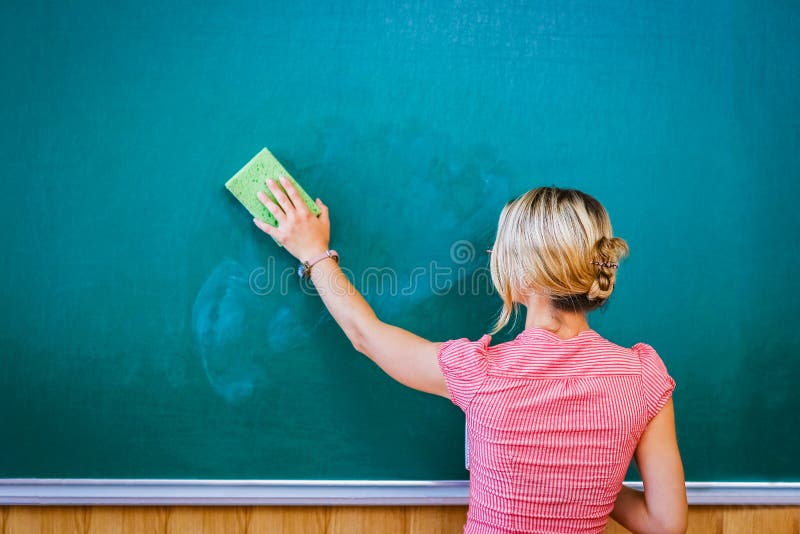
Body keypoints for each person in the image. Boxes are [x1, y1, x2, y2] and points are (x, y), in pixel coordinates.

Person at [253, 178, 688, 534]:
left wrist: (313, 252)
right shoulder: (643, 377)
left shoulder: (479, 372)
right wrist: (592, 481)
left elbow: (365, 335)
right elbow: (666, 524)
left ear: (522, 273)